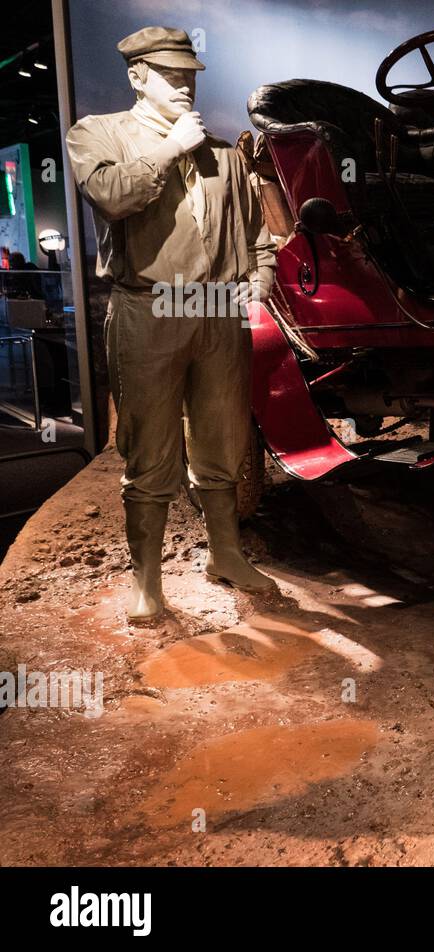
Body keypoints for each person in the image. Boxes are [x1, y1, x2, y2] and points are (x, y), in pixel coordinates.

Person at [65, 26, 278, 620]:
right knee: (149, 448)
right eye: (171, 74)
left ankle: (226, 555)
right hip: (149, 305)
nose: (185, 84)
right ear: (138, 77)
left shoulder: (225, 157)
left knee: (222, 439)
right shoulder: (99, 134)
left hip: (215, 308)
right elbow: (109, 194)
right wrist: (168, 149)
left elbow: (260, 235)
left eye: (190, 74)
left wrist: (256, 288)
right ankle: (147, 583)